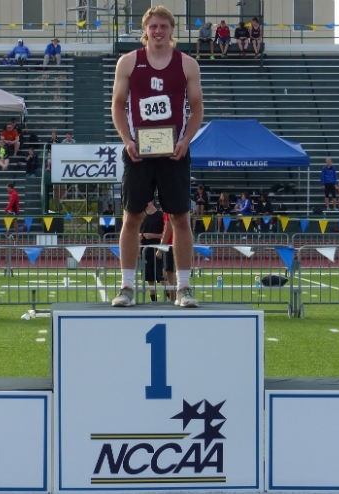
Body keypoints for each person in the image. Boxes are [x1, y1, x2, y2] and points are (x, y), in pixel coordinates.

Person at [110, 5, 204, 308]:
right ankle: (126, 287)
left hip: (174, 152)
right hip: (139, 151)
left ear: (172, 30)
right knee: (132, 217)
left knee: (180, 218)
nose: (158, 31)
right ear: (145, 30)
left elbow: (197, 108)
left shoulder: (187, 64)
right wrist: (127, 141)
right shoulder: (128, 62)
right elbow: (118, 105)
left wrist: (186, 141)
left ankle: (183, 288)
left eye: (164, 26)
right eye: (153, 26)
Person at [139, 200, 165, 302]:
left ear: (150, 201)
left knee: (163, 278)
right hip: (145, 251)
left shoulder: (160, 215)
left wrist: (152, 235)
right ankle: (154, 302)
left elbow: (166, 234)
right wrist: (139, 236)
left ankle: (171, 299)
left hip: (159, 251)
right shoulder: (141, 216)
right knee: (149, 279)